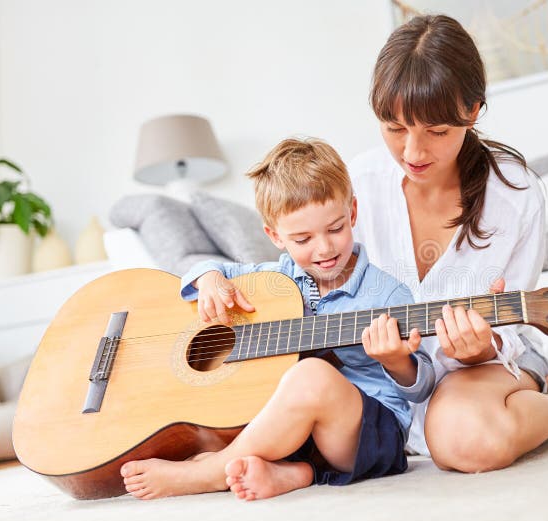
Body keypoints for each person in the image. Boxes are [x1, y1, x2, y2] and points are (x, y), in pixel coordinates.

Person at [347, 14, 548, 472]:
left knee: (463, 441)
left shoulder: (517, 194)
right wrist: (208, 277)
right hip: (390, 378)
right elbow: (301, 273)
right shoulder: (357, 185)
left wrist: (480, 349)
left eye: (437, 131)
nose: (413, 152)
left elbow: (511, 327)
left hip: (483, 369)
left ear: (473, 111)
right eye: (395, 128)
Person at [120, 138, 435, 500]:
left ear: (352, 213)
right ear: (275, 236)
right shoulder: (273, 281)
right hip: (300, 438)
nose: (324, 248)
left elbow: (423, 383)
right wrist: (209, 279)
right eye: (303, 238)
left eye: (335, 229)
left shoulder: (388, 295)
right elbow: (208, 268)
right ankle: (295, 473)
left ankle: (209, 472)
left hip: (369, 434)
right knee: (260, 399)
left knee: (312, 375)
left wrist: (396, 361)